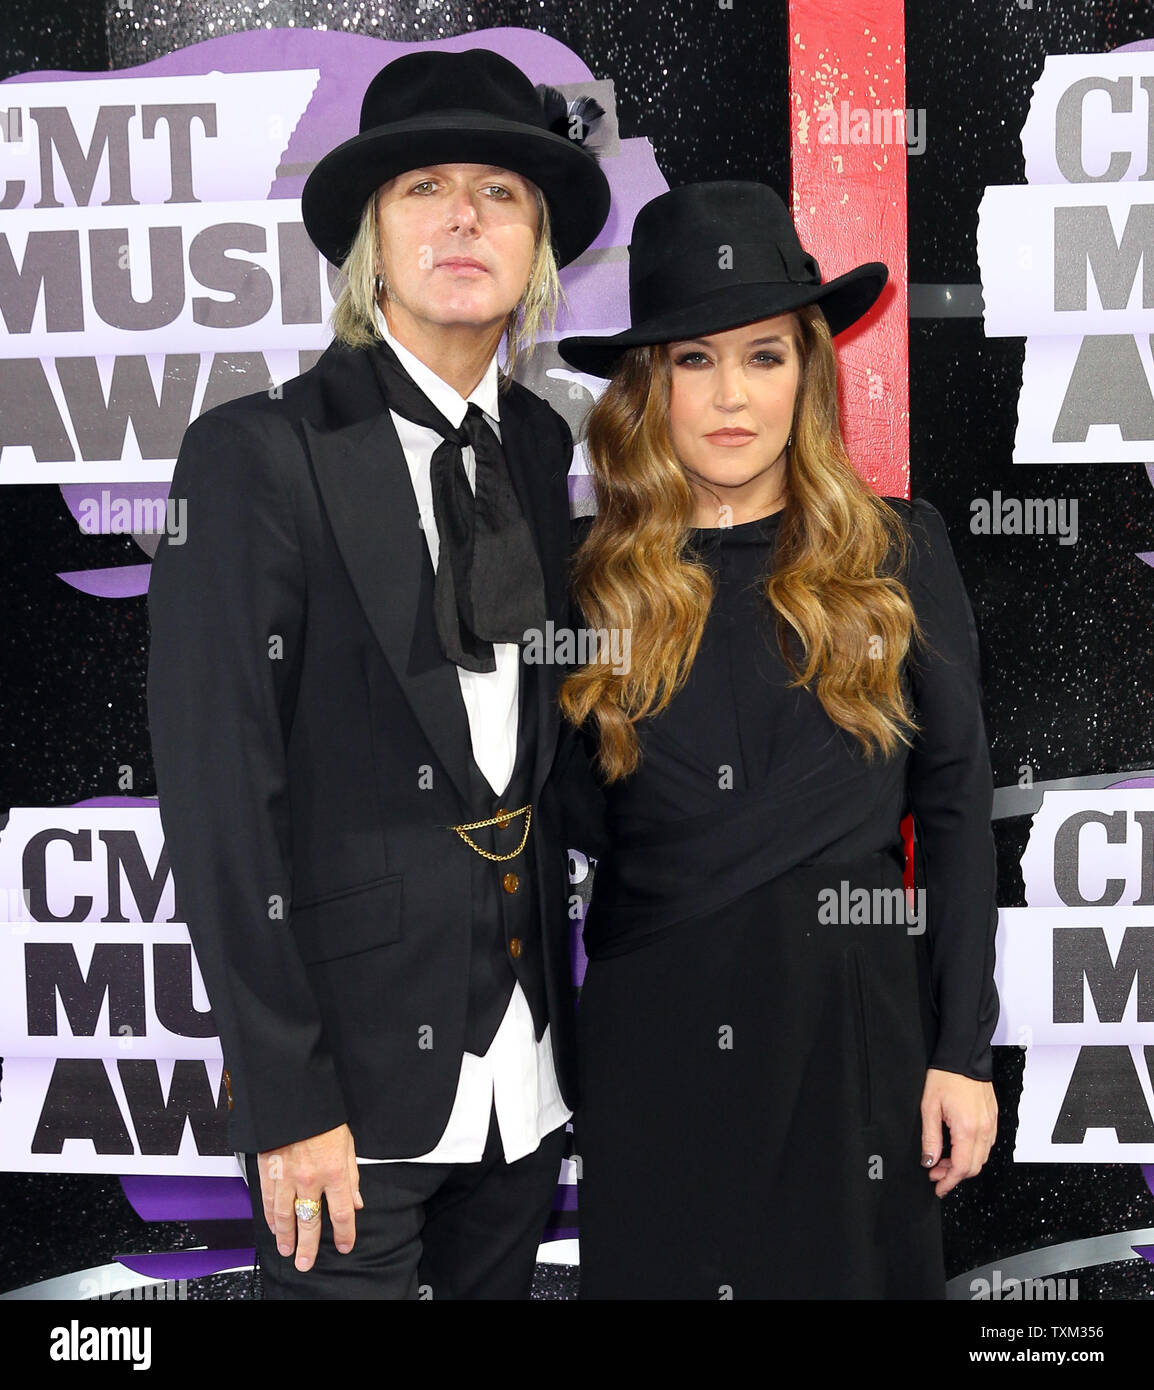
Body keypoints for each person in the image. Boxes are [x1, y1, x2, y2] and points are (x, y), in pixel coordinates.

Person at [147, 48, 610, 1299]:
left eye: (500, 192)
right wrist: (287, 1094)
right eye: (423, 186)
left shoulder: (536, 441)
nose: (464, 213)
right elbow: (218, 801)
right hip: (344, 1101)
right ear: (369, 242)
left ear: (539, 251)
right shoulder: (258, 456)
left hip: (521, 1078)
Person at [556, 180, 1000, 1299]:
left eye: (761, 355)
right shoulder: (582, 578)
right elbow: (541, 825)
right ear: (644, 387)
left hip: (850, 1031)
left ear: (807, 371)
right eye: (690, 361)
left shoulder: (897, 550)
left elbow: (951, 812)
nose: (729, 396)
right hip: (651, 1038)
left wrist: (962, 1051)